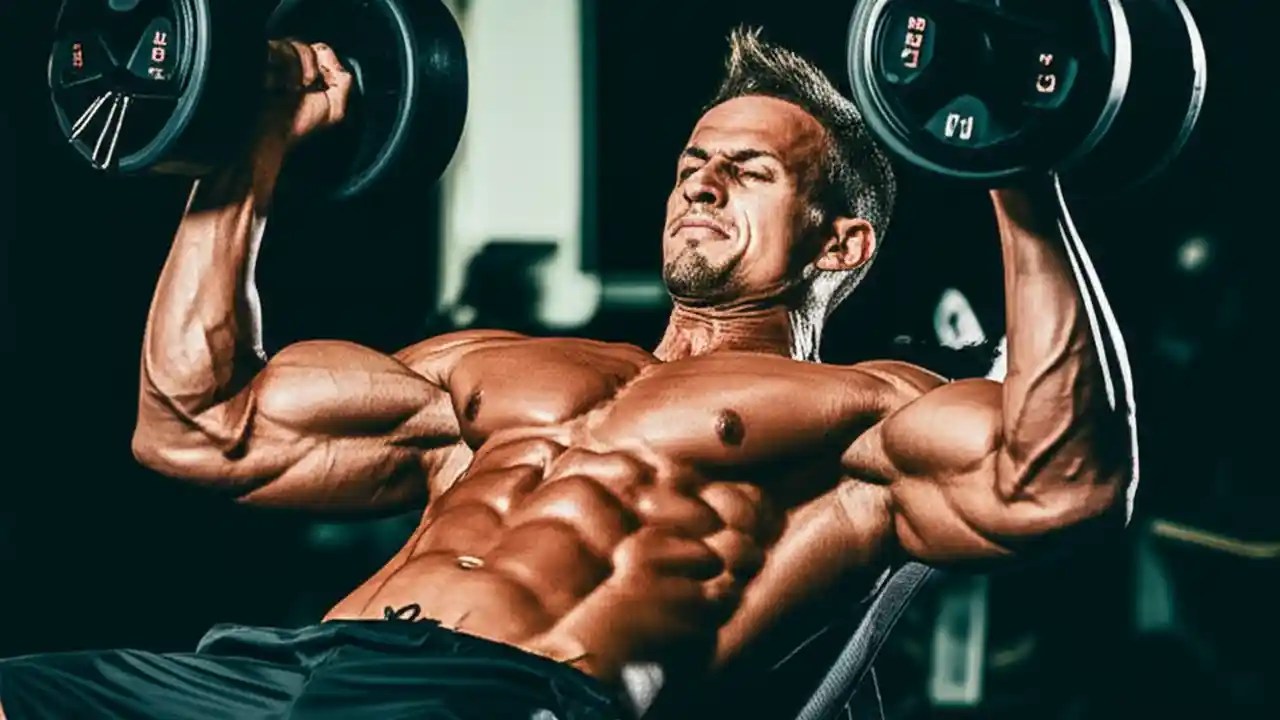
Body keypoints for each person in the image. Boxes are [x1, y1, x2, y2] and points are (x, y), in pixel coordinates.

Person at [0, 27, 1135, 720]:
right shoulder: (498, 368)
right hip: (283, 669)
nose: (699, 184)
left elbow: (1056, 482)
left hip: (498, 695)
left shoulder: (860, 413)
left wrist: (1014, 163)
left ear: (839, 244)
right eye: (692, 163)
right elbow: (199, 425)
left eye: (746, 172)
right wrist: (247, 158)